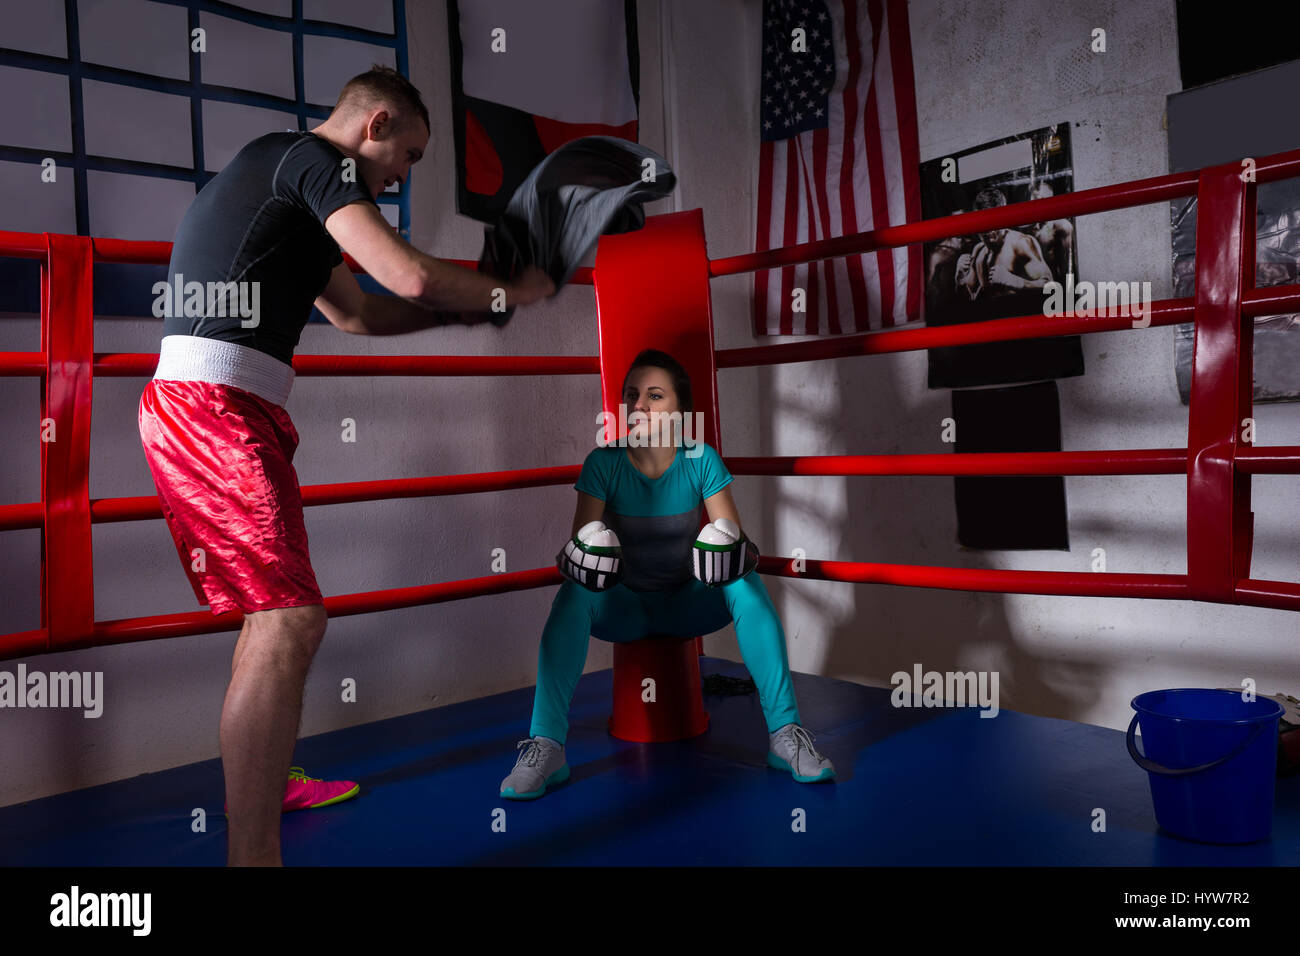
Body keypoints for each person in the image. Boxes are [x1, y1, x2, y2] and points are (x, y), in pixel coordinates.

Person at [137, 65, 555, 866]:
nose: (404, 175)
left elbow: (362, 312)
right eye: (411, 154)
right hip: (210, 407)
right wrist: (501, 292)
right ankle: (252, 854)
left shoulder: (293, 190)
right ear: (377, 123)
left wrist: (467, 312)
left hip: (232, 406)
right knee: (292, 619)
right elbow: (408, 274)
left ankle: (270, 778)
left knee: (274, 614)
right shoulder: (310, 160)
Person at [500, 350, 835, 800]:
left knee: (743, 580)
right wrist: (576, 559)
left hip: (686, 604)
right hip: (625, 608)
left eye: (654, 396)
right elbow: (579, 553)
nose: (639, 405)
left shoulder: (701, 459)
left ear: (681, 410)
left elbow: (738, 544)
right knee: (574, 592)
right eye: (632, 395)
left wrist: (737, 552)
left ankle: (785, 735)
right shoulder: (603, 463)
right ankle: (546, 746)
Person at [955, 186, 1052, 299]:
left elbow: (1050, 285)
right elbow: (972, 300)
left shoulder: (1020, 244)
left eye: (993, 222)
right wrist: (959, 279)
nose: (988, 230)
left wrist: (1015, 281)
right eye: (982, 223)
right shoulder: (978, 251)